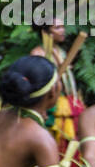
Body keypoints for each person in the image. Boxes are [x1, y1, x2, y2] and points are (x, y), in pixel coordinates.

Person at [29, 17, 85, 150]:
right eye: (57, 28)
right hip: (50, 103)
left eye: (63, 27)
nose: (63, 31)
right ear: (46, 32)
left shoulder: (61, 52)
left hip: (68, 101)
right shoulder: (38, 53)